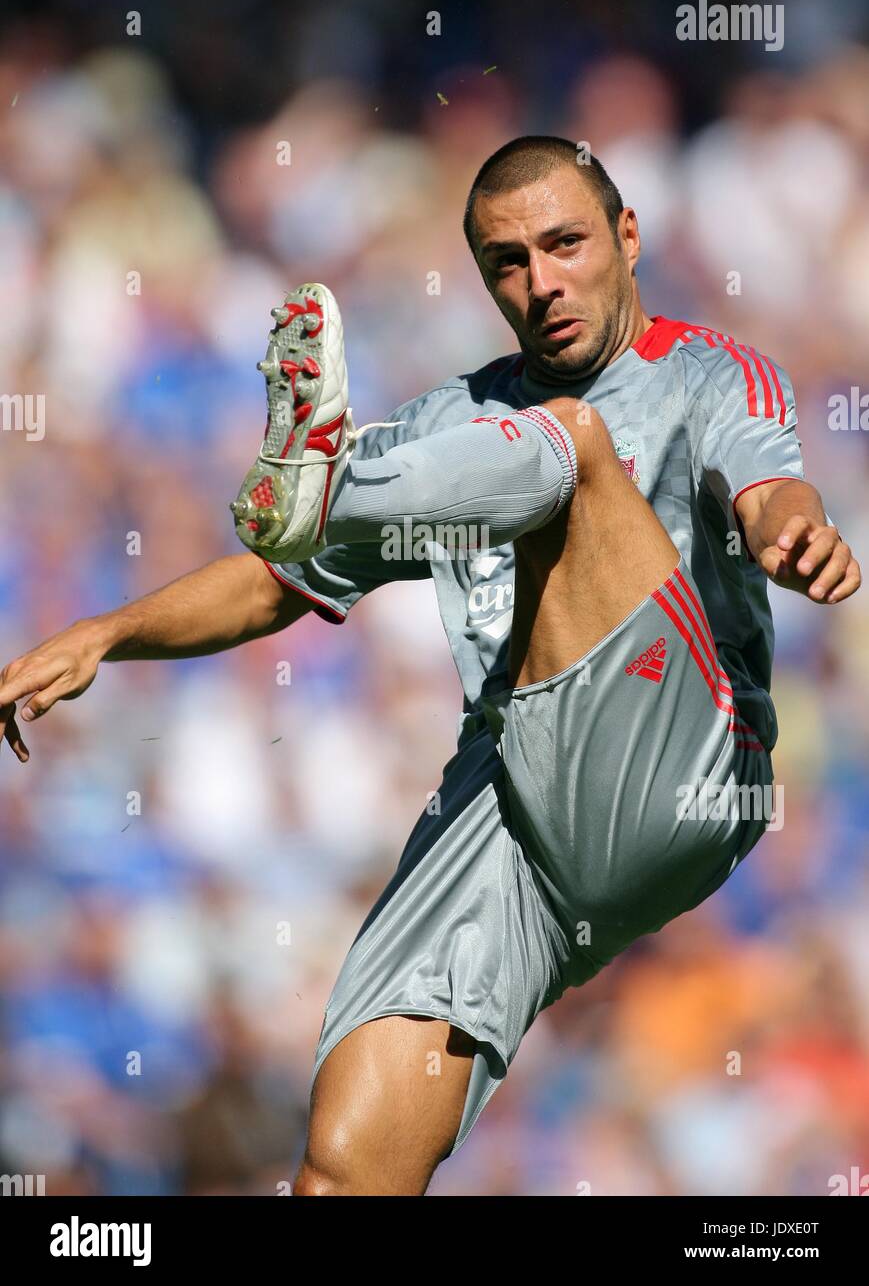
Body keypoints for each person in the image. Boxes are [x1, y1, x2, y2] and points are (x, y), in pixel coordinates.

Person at [1, 137, 860, 1197]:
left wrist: (795, 533)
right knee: (342, 1167)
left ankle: (334, 480)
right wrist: (103, 632)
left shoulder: (705, 374)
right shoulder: (458, 425)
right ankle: (327, 488)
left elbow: (769, 488)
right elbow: (276, 587)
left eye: (563, 244)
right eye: (506, 261)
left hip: (680, 765)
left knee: (573, 446)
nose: (539, 281)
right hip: (515, 807)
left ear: (627, 238)